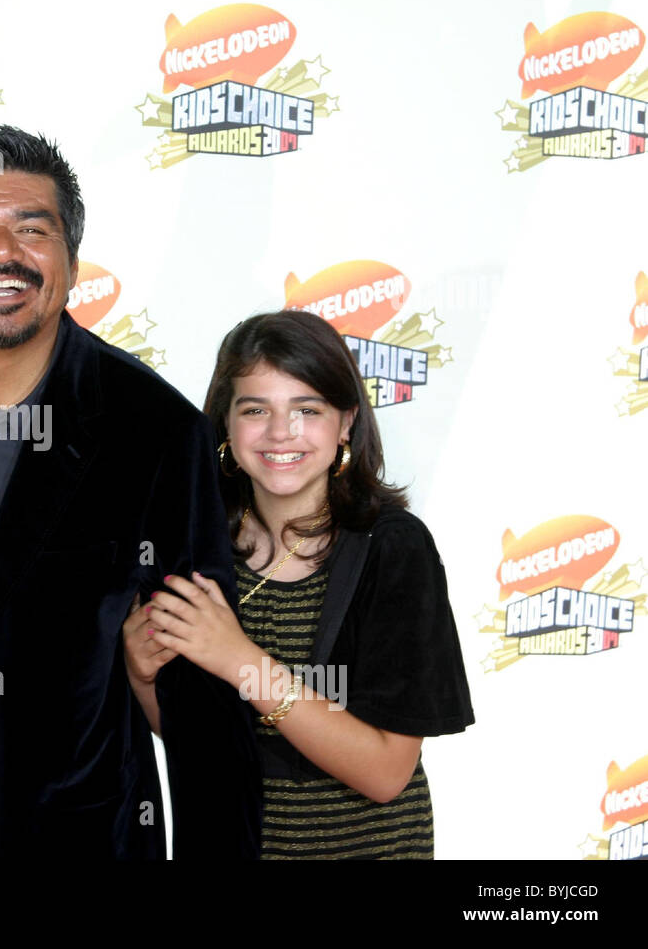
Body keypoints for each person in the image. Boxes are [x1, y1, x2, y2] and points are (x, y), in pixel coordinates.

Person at [0, 125, 261, 859]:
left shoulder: (154, 430)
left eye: (31, 230)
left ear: (71, 265)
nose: (0, 253)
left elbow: (202, 702)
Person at [129, 309, 474, 858]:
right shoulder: (195, 545)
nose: (280, 433)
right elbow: (197, 739)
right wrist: (142, 674)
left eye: (307, 409)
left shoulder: (393, 548)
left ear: (345, 423)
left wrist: (239, 660)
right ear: (225, 424)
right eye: (255, 409)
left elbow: (386, 773)